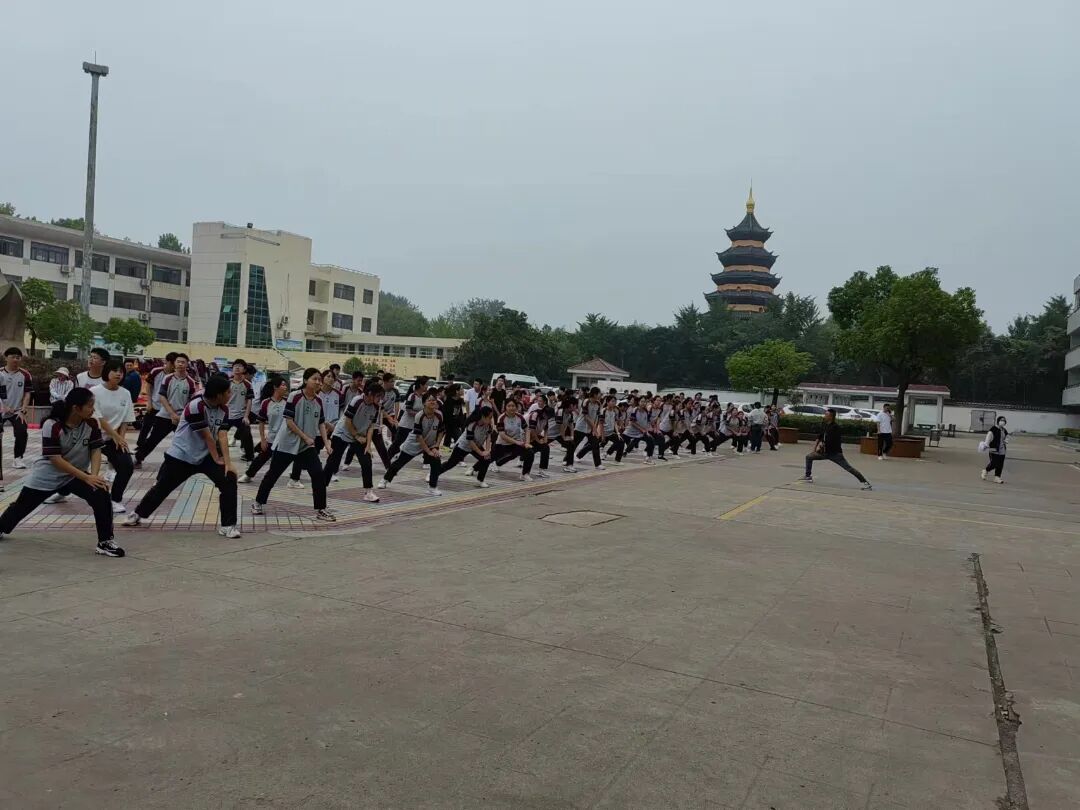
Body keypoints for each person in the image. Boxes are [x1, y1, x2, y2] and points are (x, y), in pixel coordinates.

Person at [0, 387, 123, 556]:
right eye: (89, 406)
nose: (93, 409)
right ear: (76, 408)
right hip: (48, 476)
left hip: (74, 475)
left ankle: (105, 541)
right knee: (21, 508)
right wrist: (86, 478)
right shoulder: (52, 425)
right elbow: (55, 459)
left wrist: (94, 476)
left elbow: (95, 450)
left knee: (100, 493)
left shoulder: (92, 423)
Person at [124, 375, 242, 537]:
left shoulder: (224, 409)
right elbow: (207, 436)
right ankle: (138, 514)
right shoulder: (196, 406)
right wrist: (217, 458)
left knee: (229, 480)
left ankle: (228, 526)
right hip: (182, 456)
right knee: (162, 487)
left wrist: (228, 464)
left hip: (207, 455)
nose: (231, 395)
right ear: (218, 394)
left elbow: (221, 435)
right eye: (228, 392)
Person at [251, 368, 335, 521]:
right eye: (314, 379)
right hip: (287, 444)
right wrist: (306, 437)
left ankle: (321, 509)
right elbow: (289, 422)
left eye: (319, 380)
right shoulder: (294, 396)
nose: (318, 382)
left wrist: (327, 443)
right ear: (305, 381)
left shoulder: (318, 401)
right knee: (273, 474)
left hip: (306, 446)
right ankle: (258, 502)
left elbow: (321, 423)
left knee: (317, 474)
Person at [83, 359, 135, 514]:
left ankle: (115, 499)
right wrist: (115, 435)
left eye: (121, 371)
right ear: (107, 372)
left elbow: (126, 419)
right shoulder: (95, 391)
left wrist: (121, 439)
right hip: (93, 436)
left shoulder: (125, 393)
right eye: (114, 370)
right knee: (77, 465)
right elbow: (98, 417)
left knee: (126, 466)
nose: (118, 374)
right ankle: (62, 492)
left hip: (113, 439)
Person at [323, 379, 383, 503]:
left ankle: (368, 492)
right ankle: (321, 487)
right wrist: (356, 436)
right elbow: (348, 421)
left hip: (360, 435)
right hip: (343, 433)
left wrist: (368, 445)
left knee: (366, 461)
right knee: (333, 461)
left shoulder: (377, 406)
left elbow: (371, 425)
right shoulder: (357, 401)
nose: (379, 399)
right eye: (378, 396)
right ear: (369, 393)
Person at [134, 353, 197, 466]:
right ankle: (138, 458)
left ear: (187, 364)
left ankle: (189, 462)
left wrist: (180, 416)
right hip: (164, 415)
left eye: (183, 362)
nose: (180, 364)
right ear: (175, 363)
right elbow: (162, 397)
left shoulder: (191, 382)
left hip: (181, 418)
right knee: (153, 439)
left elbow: (190, 402)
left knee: (187, 440)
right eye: (178, 362)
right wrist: (172, 414)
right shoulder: (167, 378)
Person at [379, 392, 445, 495]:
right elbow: (419, 436)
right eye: (430, 400)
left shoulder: (439, 415)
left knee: (436, 462)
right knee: (400, 462)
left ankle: (432, 487)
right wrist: (428, 451)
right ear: (424, 403)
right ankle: (385, 479)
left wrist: (436, 447)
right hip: (414, 442)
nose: (433, 402)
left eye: (434, 400)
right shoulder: (420, 416)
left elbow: (441, 431)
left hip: (430, 443)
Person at [802, 408, 872, 490]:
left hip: (835, 454)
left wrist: (822, 446)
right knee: (809, 457)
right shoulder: (825, 425)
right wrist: (815, 448)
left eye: (826, 415)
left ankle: (866, 483)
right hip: (825, 452)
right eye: (825, 414)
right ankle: (808, 476)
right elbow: (819, 436)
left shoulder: (836, 428)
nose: (825, 416)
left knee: (849, 468)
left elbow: (833, 441)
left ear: (831, 417)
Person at [239, 375, 288, 483]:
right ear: (275, 387)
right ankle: (248, 475)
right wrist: (263, 439)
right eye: (283, 385)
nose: (285, 388)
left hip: (287, 438)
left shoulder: (288, 402)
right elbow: (261, 422)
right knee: (262, 457)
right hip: (272, 437)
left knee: (296, 457)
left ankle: (295, 478)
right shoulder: (266, 403)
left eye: (286, 385)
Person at [441, 405, 495, 488]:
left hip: (476, 445)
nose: (491, 419)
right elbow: (470, 442)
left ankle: (480, 480)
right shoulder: (472, 425)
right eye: (489, 417)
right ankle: (433, 473)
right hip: (463, 446)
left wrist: (487, 451)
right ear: (483, 416)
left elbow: (488, 437)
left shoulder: (488, 426)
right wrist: (481, 452)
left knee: (486, 459)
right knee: (451, 463)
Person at [136, 352, 176, 457]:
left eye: (174, 364)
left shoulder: (176, 375)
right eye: (171, 363)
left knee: (159, 434)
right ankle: (140, 448)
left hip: (168, 410)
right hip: (154, 405)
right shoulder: (156, 371)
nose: (173, 366)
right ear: (166, 362)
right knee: (146, 427)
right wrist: (149, 402)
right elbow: (148, 386)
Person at [220, 360, 256, 464]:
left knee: (247, 435)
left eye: (240, 366)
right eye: (235, 366)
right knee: (217, 435)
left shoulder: (247, 385)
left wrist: (246, 416)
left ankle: (250, 458)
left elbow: (249, 401)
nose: (237, 368)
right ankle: (217, 456)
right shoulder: (227, 383)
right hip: (226, 415)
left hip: (240, 415)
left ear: (244, 369)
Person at [491, 398, 535, 481]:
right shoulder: (502, 418)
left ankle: (525, 474)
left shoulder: (519, 417)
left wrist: (527, 443)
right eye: (509, 406)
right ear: (506, 407)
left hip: (516, 443)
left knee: (530, 452)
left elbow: (527, 430)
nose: (511, 408)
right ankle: (474, 468)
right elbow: (502, 435)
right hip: (502, 444)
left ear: (516, 407)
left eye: (513, 406)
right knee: (488, 459)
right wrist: (517, 442)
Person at [388, 376, 428, 458]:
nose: (427, 386)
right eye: (426, 384)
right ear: (421, 385)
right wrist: (421, 414)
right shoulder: (412, 396)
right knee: (397, 444)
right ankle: (387, 458)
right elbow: (409, 410)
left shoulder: (424, 397)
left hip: (414, 426)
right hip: (405, 426)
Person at [981, 416, 1009, 484]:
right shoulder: (993, 429)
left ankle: (997, 477)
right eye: (1001, 420)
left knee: (1000, 464)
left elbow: (1007, 436)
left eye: (1004, 421)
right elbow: (988, 437)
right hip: (993, 449)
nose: (1003, 422)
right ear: (998, 421)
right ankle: (986, 470)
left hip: (1002, 450)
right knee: (994, 463)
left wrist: (1006, 440)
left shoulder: (1004, 430)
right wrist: (986, 444)